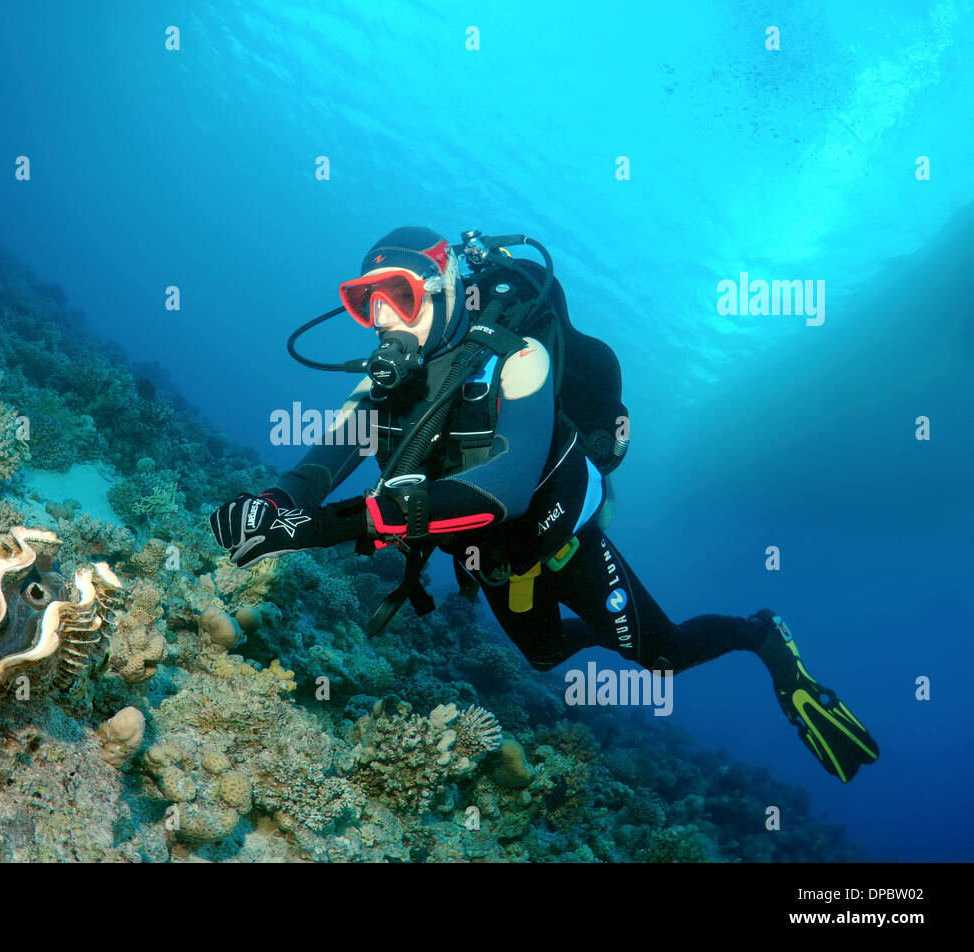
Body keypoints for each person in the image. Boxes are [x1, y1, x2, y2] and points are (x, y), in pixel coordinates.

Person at [209, 226, 879, 783]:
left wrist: (329, 526)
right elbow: (316, 468)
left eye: (400, 296)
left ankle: (762, 633)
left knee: (662, 656)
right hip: (494, 564)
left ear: (446, 290)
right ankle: (585, 629)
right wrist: (269, 504)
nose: (385, 320)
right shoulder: (375, 389)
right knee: (543, 655)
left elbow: (503, 489)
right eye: (366, 303)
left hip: (562, 541)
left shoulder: (517, 358)